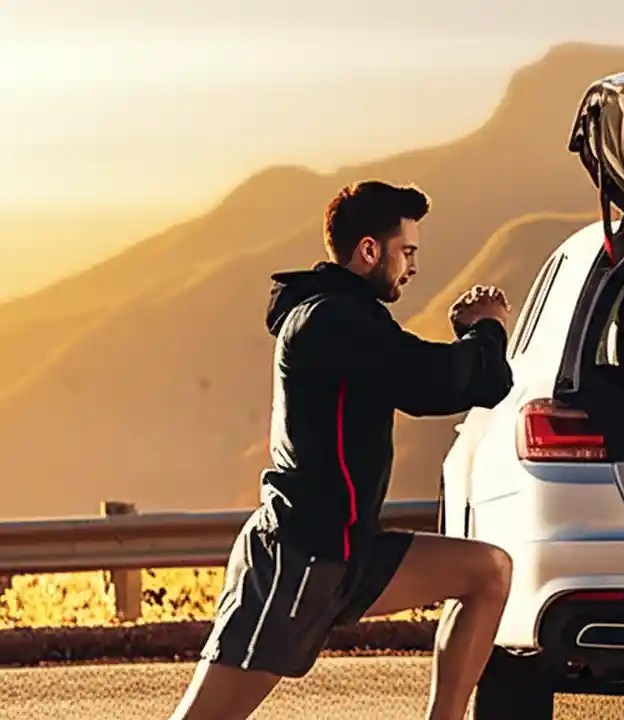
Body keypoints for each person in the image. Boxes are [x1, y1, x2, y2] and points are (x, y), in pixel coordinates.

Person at [169, 180, 516, 720]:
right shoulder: (329, 320)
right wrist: (485, 331)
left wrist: (472, 341)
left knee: (487, 571)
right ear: (369, 250)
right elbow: (435, 382)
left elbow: (433, 375)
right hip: (300, 554)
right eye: (407, 251)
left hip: (349, 553)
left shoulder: (349, 318)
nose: (414, 266)